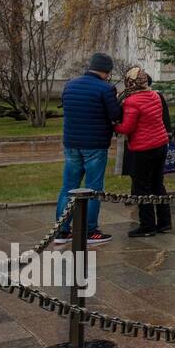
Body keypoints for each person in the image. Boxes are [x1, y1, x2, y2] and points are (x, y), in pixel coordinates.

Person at [53, 53, 121, 246]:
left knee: (68, 187)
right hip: (95, 145)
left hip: (71, 143)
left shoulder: (70, 85)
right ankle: (89, 231)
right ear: (106, 71)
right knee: (93, 188)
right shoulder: (106, 89)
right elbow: (115, 115)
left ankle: (61, 231)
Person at [114, 67, 174, 237]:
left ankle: (147, 226)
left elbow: (127, 127)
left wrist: (113, 125)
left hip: (143, 148)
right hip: (160, 144)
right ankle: (165, 222)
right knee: (158, 184)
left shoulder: (132, 101)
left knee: (142, 187)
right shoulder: (155, 95)